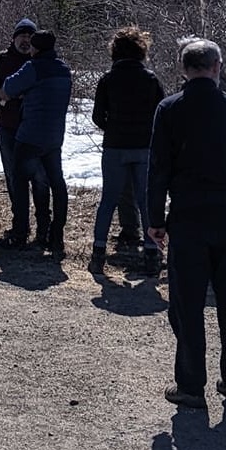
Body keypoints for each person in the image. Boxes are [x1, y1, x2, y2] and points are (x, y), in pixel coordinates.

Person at [148, 38, 226, 408]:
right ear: (217, 66)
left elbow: (159, 168)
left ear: (183, 69)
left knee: (188, 304)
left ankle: (192, 386)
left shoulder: (169, 109)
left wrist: (155, 219)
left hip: (188, 217)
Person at [90, 27, 166, 277]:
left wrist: (114, 127)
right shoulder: (151, 79)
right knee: (146, 203)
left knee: (108, 200)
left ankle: (98, 254)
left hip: (115, 146)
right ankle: (152, 255)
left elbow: (97, 116)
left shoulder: (108, 79)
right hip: (144, 147)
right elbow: (161, 114)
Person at [0, 30, 72, 258]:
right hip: (54, 136)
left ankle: (20, 233)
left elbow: (8, 88)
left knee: (20, 183)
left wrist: (7, 96)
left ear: (35, 49)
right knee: (55, 184)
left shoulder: (33, 67)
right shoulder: (64, 69)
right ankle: (54, 236)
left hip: (29, 135)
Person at [0, 18, 51, 249]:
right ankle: (20, 225)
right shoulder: (0, 60)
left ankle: (45, 227)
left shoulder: (40, 61)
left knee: (40, 178)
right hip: (9, 128)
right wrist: (2, 95)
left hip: (35, 130)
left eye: (29, 37)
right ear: (13, 39)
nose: (25, 41)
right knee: (14, 177)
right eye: (21, 36)